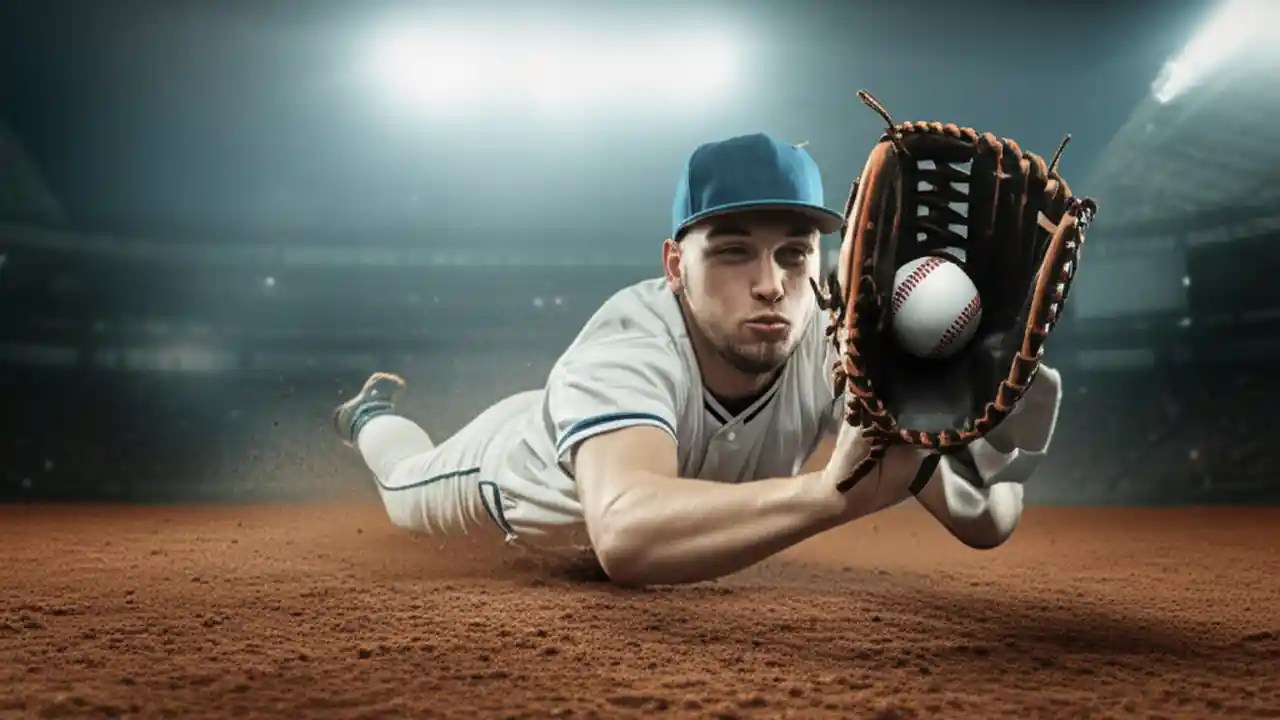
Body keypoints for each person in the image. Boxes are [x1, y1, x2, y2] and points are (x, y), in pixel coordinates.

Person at [332, 133, 1063, 586]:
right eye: (735, 251)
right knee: (400, 486)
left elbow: (982, 522)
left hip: (601, 435)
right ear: (675, 265)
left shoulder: (840, 347)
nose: (772, 283)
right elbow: (625, 536)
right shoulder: (631, 340)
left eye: (794, 253)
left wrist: (1005, 453)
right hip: (512, 480)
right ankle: (370, 415)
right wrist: (827, 495)